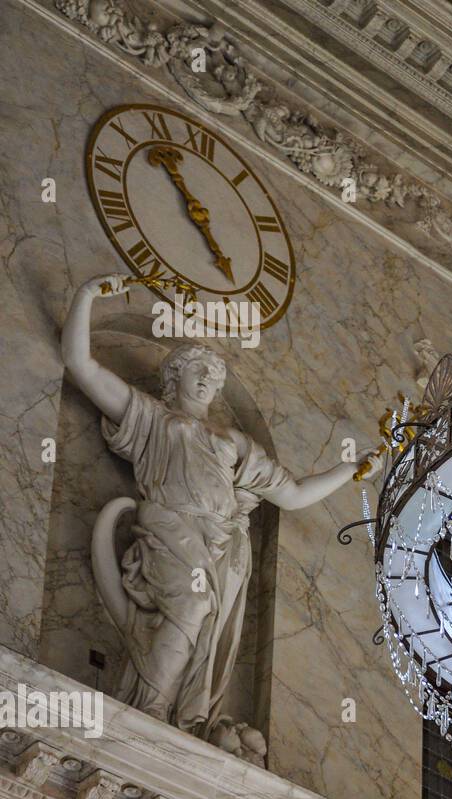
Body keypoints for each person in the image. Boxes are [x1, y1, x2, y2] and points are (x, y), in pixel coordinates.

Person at [61, 274, 380, 746]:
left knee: (208, 628)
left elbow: (290, 494)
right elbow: (80, 365)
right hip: (169, 522)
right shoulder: (152, 417)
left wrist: (350, 470)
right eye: (198, 370)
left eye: (215, 374)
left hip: (222, 542)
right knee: (191, 606)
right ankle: (147, 707)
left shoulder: (232, 443)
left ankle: (179, 716)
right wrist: (86, 296)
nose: (210, 379)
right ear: (173, 380)